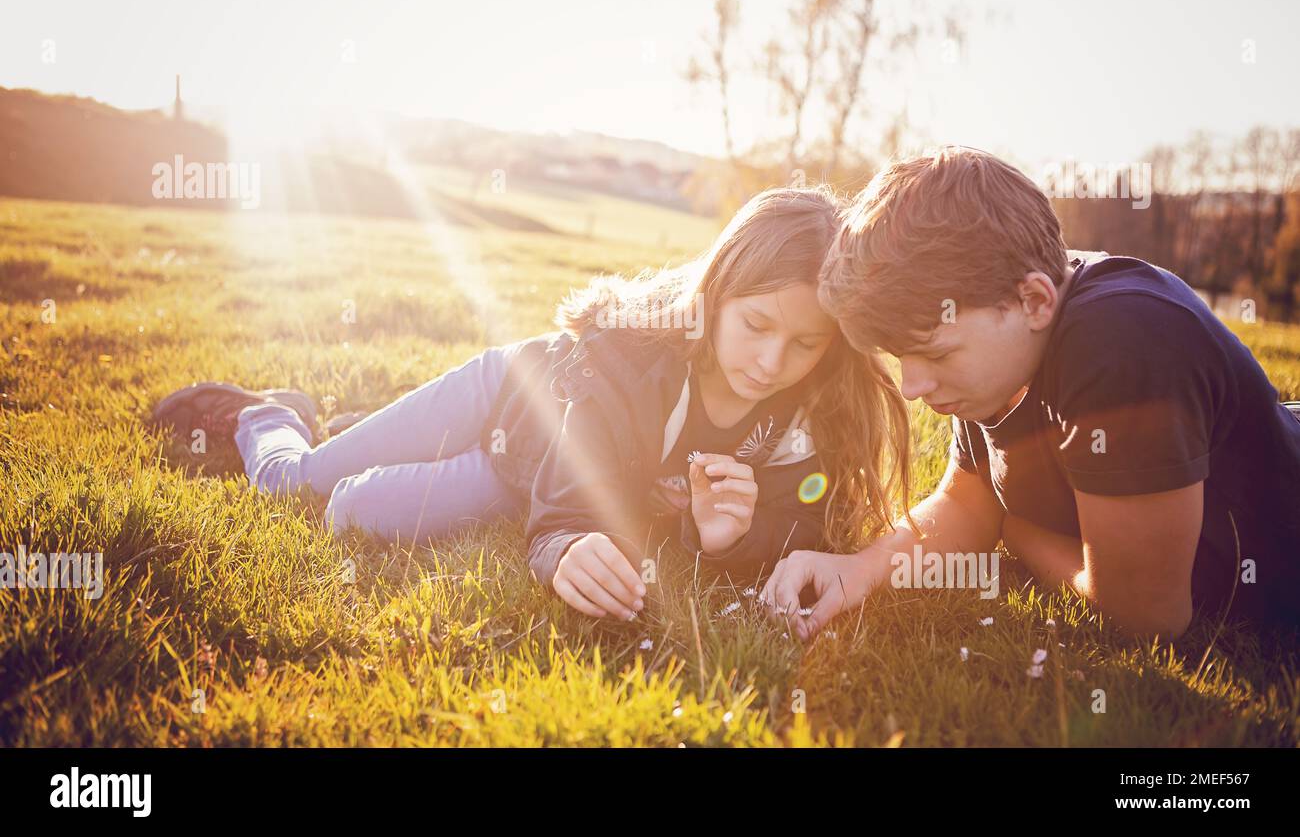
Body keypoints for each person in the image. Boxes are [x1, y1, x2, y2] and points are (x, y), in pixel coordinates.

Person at [152, 187, 910, 620]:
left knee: (355, 510)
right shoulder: (632, 352)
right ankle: (268, 416)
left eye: (806, 344)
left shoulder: (809, 415)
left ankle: (364, 431)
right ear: (715, 294)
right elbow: (570, 509)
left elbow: (805, 525)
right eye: (756, 325)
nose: (772, 361)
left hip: (518, 472)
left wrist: (722, 540)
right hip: (511, 398)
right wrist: (560, 545)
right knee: (298, 487)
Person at [763, 146, 1300, 642]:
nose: (914, 387)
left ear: (1035, 300)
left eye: (937, 353)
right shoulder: (1000, 328)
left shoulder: (1123, 340)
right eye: (903, 358)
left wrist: (1020, 533)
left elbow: (1143, 614)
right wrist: (859, 567)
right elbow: (967, 505)